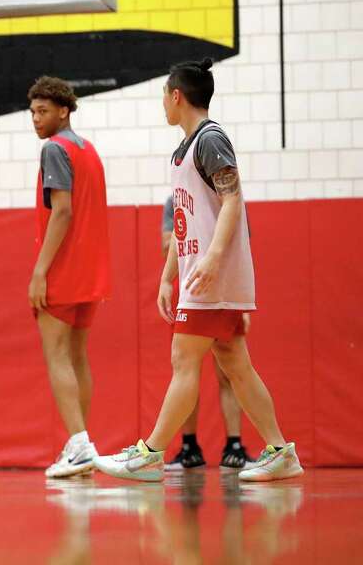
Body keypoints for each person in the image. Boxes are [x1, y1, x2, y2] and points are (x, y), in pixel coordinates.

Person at [95, 59, 303, 482]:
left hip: (213, 275)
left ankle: (150, 453)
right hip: (198, 274)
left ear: (176, 96)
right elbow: (186, 222)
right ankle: (282, 451)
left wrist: (209, 259)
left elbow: (234, 200)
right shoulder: (183, 150)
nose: (162, 107)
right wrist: (167, 274)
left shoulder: (210, 139)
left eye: (163, 98)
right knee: (235, 363)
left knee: (183, 358)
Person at [26, 77, 112, 479]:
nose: (36, 119)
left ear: (64, 111)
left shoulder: (54, 149)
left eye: (43, 111)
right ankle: (81, 442)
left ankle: (78, 443)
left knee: (57, 356)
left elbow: (62, 212)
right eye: (32, 112)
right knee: (78, 357)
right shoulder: (90, 150)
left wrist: (40, 271)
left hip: (63, 268)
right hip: (91, 269)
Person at [160, 195, 257, 471]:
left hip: (224, 290)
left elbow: (241, 247)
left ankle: (235, 446)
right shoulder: (177, 200)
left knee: (232, 371)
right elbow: (169, 242)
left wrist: (243, 302)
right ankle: (189, 447)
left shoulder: (230, 199)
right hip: (191, 292)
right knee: (187, 371)